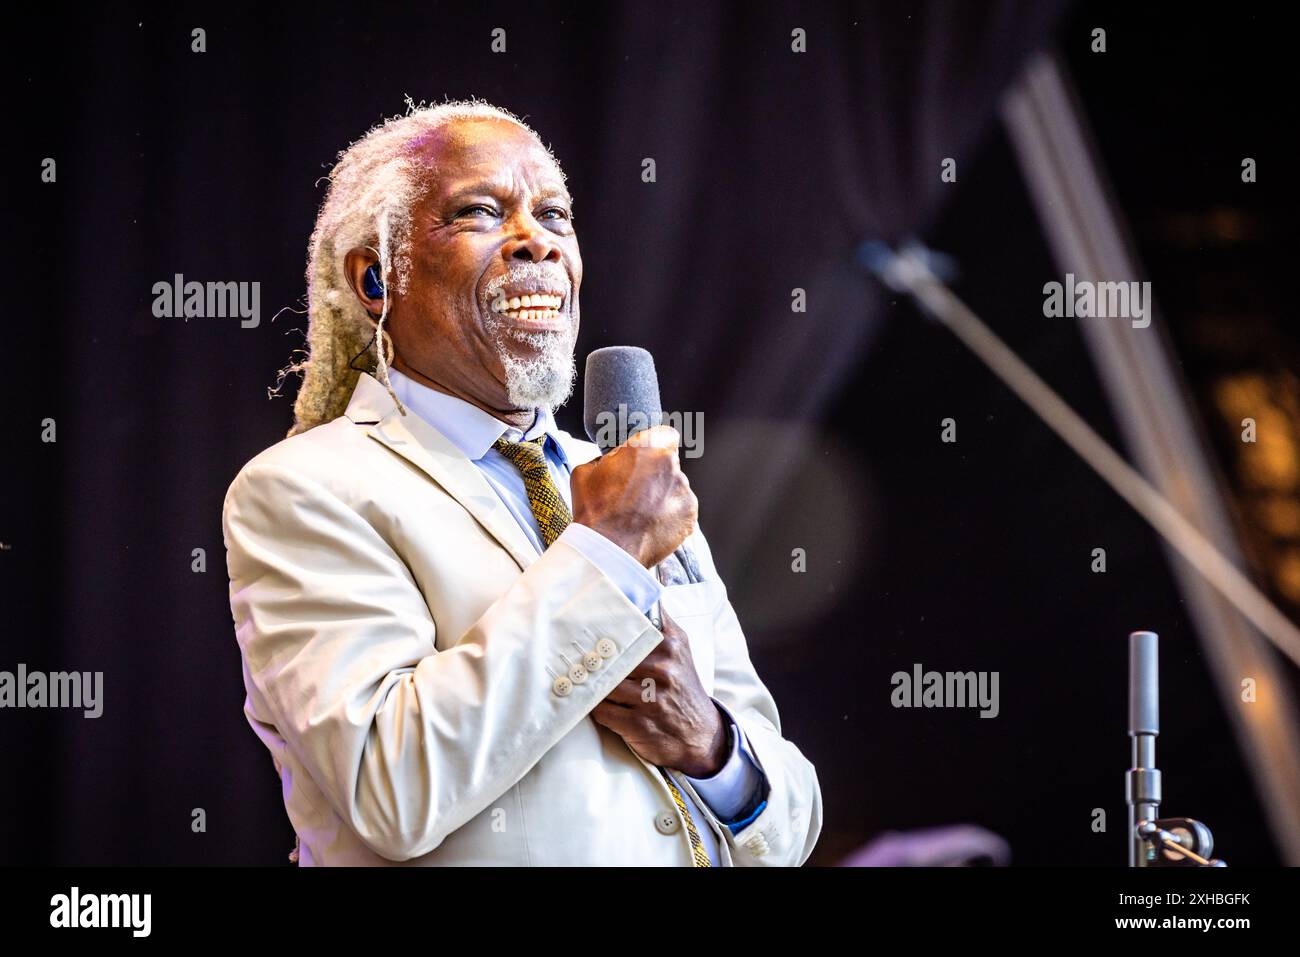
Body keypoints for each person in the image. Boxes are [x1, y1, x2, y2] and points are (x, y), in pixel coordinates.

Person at [222, 99, 822, 865]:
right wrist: (606, 551)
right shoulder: (306, 489)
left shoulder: (633, 485)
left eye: (554, 215)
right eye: (479, 212)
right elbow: (392, 789)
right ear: (376, 277)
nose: (535, 240)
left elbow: (793, 823)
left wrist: (712, 745)